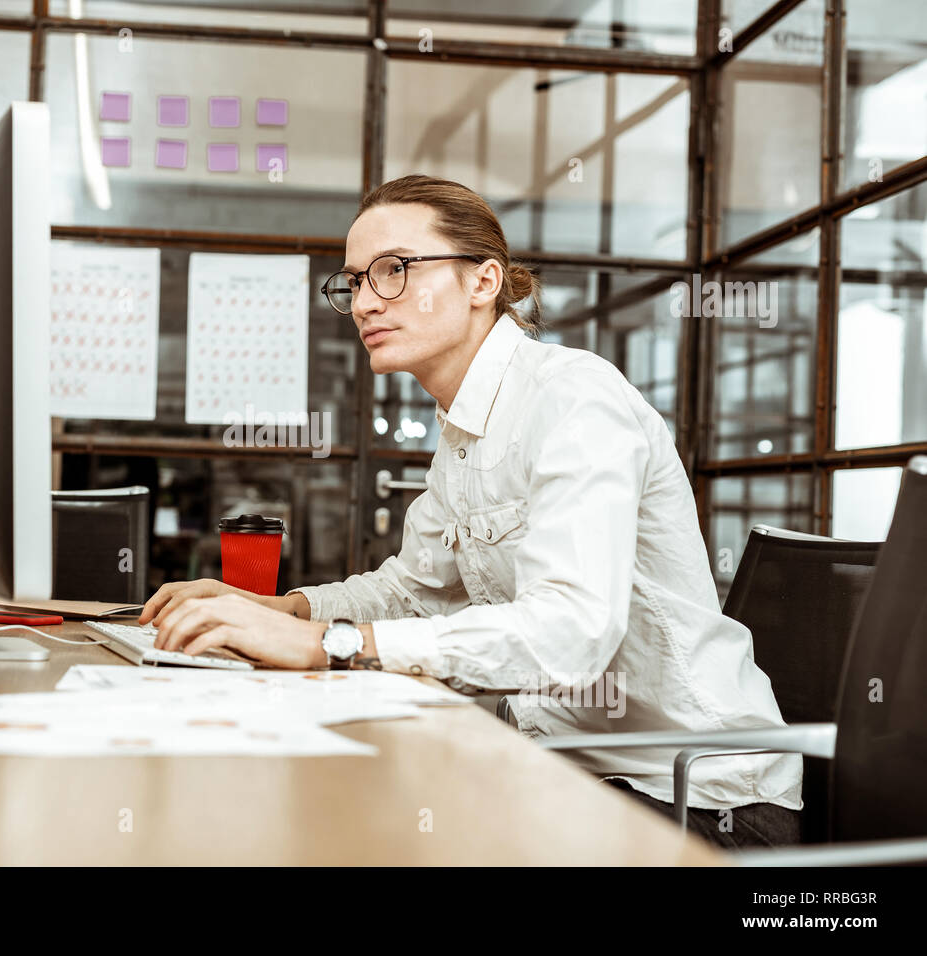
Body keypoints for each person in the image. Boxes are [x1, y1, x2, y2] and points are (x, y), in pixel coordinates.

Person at [139, 174, 801, 847]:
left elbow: (570, 632)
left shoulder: (574, 401)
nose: (366, 301)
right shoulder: (461, 431)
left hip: (701, 802)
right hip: (574, 773)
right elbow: (410, 590)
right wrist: (282, 611)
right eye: (355, 281)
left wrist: (328, 646)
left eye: (393, 270)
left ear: (484, 283)